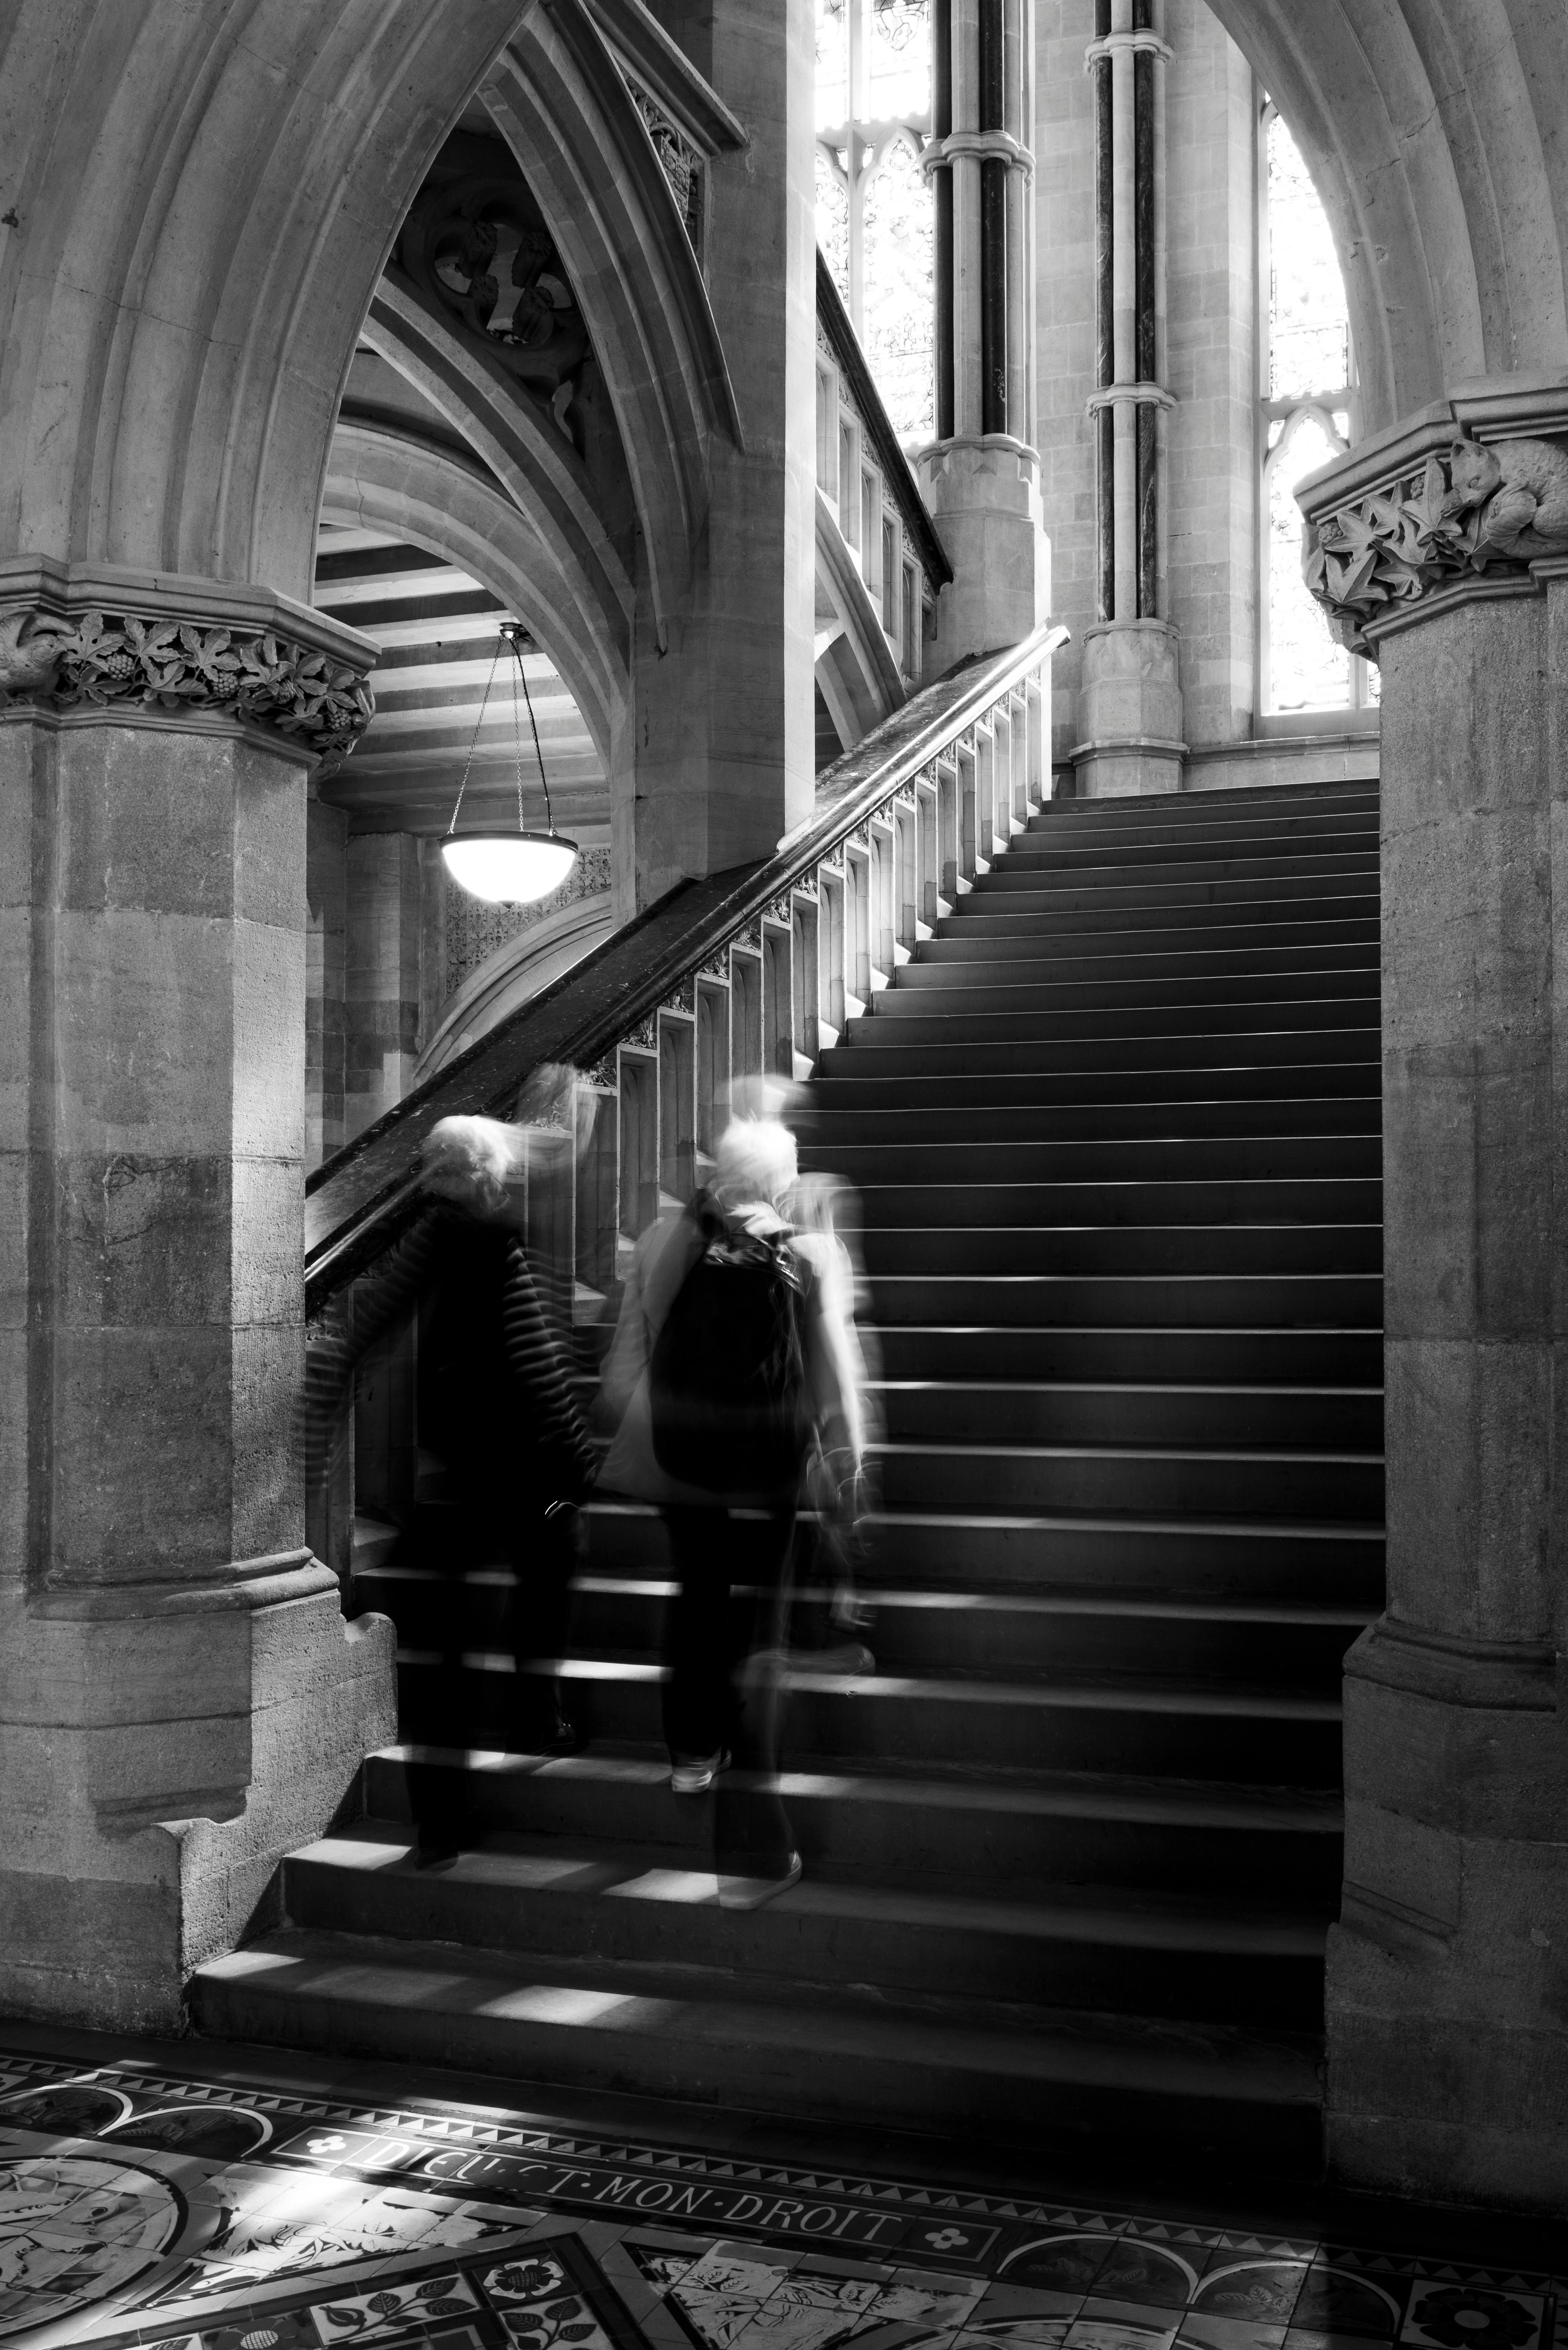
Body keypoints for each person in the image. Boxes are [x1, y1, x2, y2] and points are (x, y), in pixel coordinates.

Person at [302, 1111, 596, 1864]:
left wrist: (316, 1431)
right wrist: (579, 1461)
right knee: (553, 1557)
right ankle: (537, 1712)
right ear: (488, 1175)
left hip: (450, 1476)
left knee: (450, 1658)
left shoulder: (429, 1238)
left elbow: (360, 1331)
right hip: (512, 1472)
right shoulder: (496, 1243)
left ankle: (440, 1822)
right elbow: (534, 1359)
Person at [597, 1116, 867, 1907]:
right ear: (782, 1180)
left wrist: (672, 1432)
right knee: (761, 1634)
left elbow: (621, 1371)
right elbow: (835, 1375)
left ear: (719, 1174)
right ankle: (753, 1846)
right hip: (772, 1473)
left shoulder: (659, 1241)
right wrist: (848, 1461)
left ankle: (689, 1751)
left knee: (696, 1596)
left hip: (684, 1465)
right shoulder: (811, 1251)